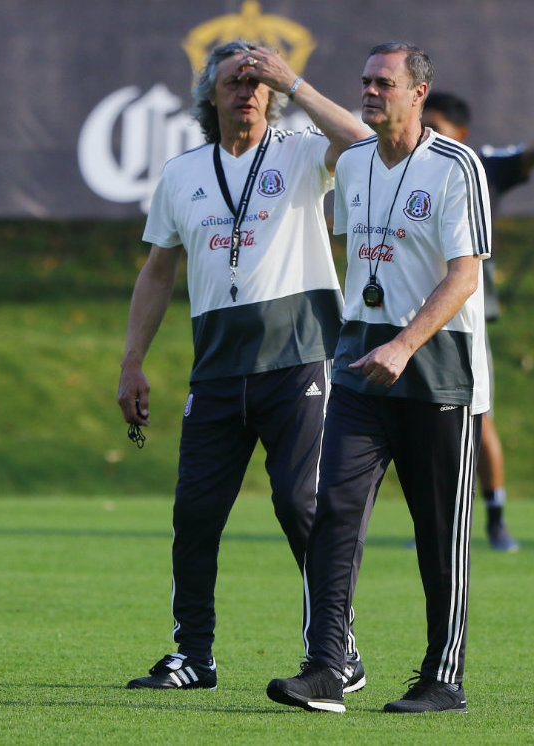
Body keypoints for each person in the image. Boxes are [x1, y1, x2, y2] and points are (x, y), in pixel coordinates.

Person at [117, 40, 372, 691]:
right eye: (237, 79)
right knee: (195, 513)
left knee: (300, 502)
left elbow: (364, 141)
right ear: (211, 93)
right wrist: (133, 360)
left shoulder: (301, 151)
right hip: (218, 372)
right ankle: (193, 655)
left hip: (302, 359)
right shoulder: (181, 173)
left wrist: (298, 82)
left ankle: (337, 649)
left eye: (262, 82)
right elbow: (157, 271)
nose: (250, 91)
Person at [266, 41, 492, 714]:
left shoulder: (458, 166)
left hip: (436, 367)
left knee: (437, 530)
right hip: (360, 365)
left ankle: (442, 678)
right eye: (364, 80)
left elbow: (465, 275)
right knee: (331, 509)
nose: (370, 91)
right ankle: (327, 667)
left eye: (383, 82)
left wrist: (406, 343)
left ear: (418, 92)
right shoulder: (356, 161)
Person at [415, 91, 534, 552]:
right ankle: (437, 521)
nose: (429, 135)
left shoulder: (480, 166)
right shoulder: (404, 164)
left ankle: (496, 520)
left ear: (462, 133)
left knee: (478, 417)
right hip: (406, 310)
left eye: (437, 126)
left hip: (464, 312)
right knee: (419, 422)